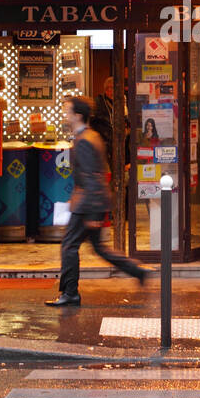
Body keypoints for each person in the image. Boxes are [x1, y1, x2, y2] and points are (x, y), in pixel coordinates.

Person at [46, 96, 148, 306]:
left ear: (78, 115)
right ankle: (137, 270)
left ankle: (70, 292)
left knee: (69, 246)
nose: (66, 115)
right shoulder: (91, 136)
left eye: (68, 111)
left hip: (87, 204)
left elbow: (93, 176)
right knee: (98, 247)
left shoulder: (85, 140)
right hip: (90, 202)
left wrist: (93, 213)